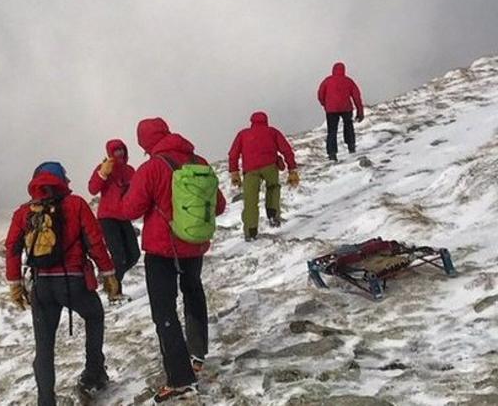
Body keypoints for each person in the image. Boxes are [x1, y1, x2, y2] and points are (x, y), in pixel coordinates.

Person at [118, 118, 226, 403]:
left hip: (162, 250)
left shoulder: (152, 167)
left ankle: (180, 379)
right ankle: (197, 354)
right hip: (194, 244)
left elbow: (130, 210)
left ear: (145, 141)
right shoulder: (198, 161)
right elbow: (219, 205)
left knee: (164, 311)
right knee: (193, 292)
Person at [5, 162, 122, 406]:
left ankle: (46, 400)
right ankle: (94, 374)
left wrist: (15, 283)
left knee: (44, 346)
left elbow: (13, 249)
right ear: (60, 179)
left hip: (42, 286)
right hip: (73, 282)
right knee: (94, 315)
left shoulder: (24, 212)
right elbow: (95, 242)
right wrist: (108, 273)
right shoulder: (76, 204)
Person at [227, 112, 300, 240]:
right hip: (270, 166)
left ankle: (251, 231)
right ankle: (273, 214)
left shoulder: (243, 134)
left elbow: (233, 154)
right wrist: (292, 169)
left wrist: (234, 172)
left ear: (251, 122)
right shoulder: (272, 132)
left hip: (250, 170)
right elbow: (286, 150)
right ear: (266, 120)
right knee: (273, 187)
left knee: (250, 199)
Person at [88, 139, 140, 285]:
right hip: (107, 217)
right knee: (119, 257)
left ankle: (110, 278)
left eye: (121, 149)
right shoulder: (104, 168)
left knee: (134, 254)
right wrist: (102, 174)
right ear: (110, 152)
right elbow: (92, 189)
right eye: (116, 150)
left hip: (124, 216)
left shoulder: (130, 170)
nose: (119, 153)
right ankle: (114, 288)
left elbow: (136, 192)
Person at [317, 62, 364, 161]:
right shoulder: (348, 81)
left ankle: (332, 154)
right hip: (346, 108)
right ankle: (351, 147)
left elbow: (320, 94)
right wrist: (360, 111)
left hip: (331, 110)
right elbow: (356, 96)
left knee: (332, 131)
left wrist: (325, 104)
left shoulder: (327, 81)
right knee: (348, 126)